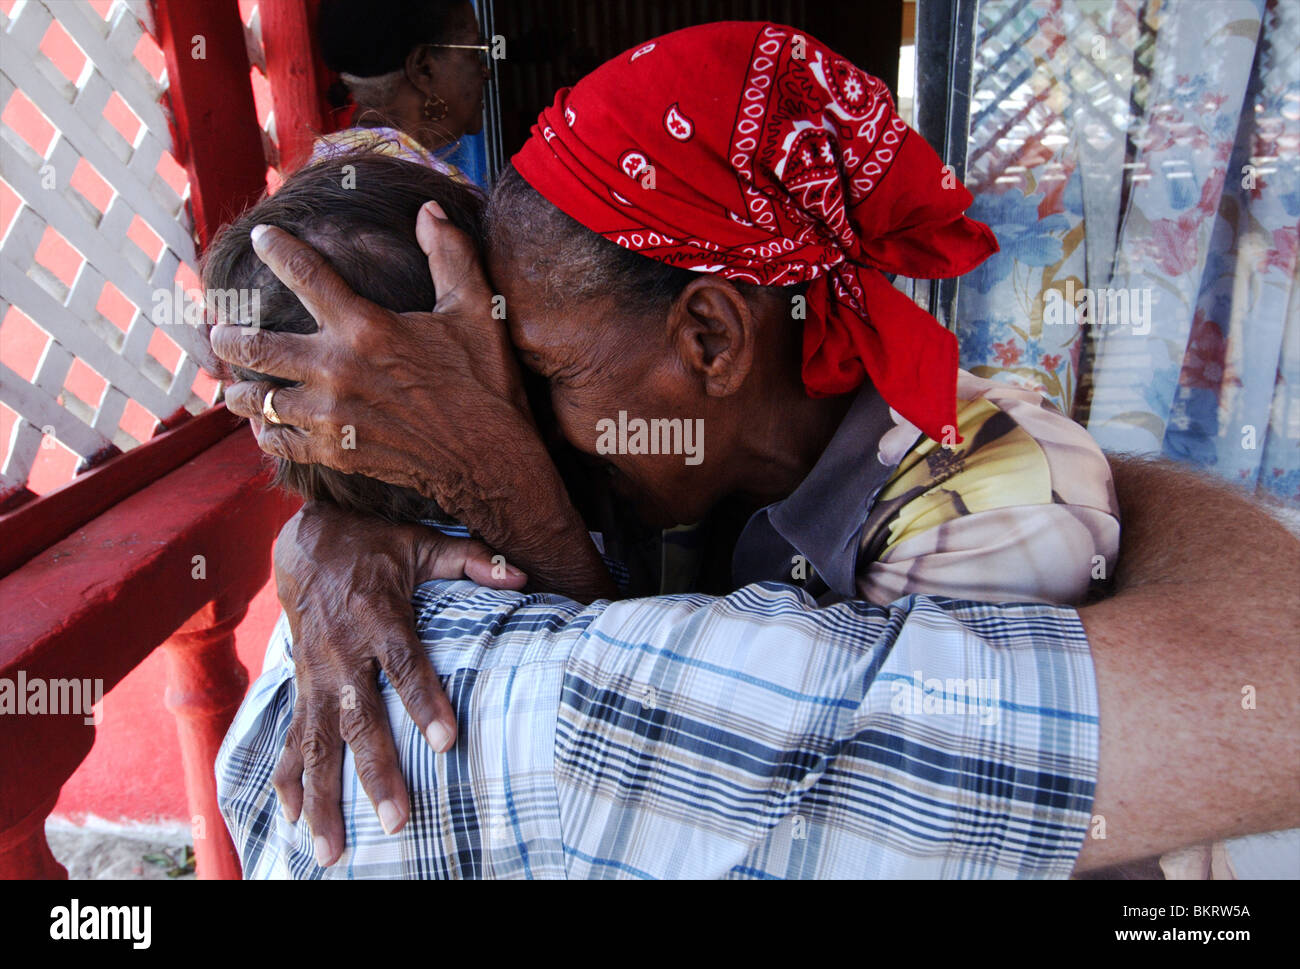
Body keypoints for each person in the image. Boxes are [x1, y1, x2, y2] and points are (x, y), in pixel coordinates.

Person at [208, 23, 1300, 874]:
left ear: (711, 340)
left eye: (540, 377)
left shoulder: (983, 528)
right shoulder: (685, 489)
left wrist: (447, 494)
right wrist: (339, 525)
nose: (528, 429)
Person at [311, 0, 492, 180]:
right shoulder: (427, 188)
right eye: (475, 51)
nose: (487, 72)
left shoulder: (324, 166)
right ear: (424, 68)